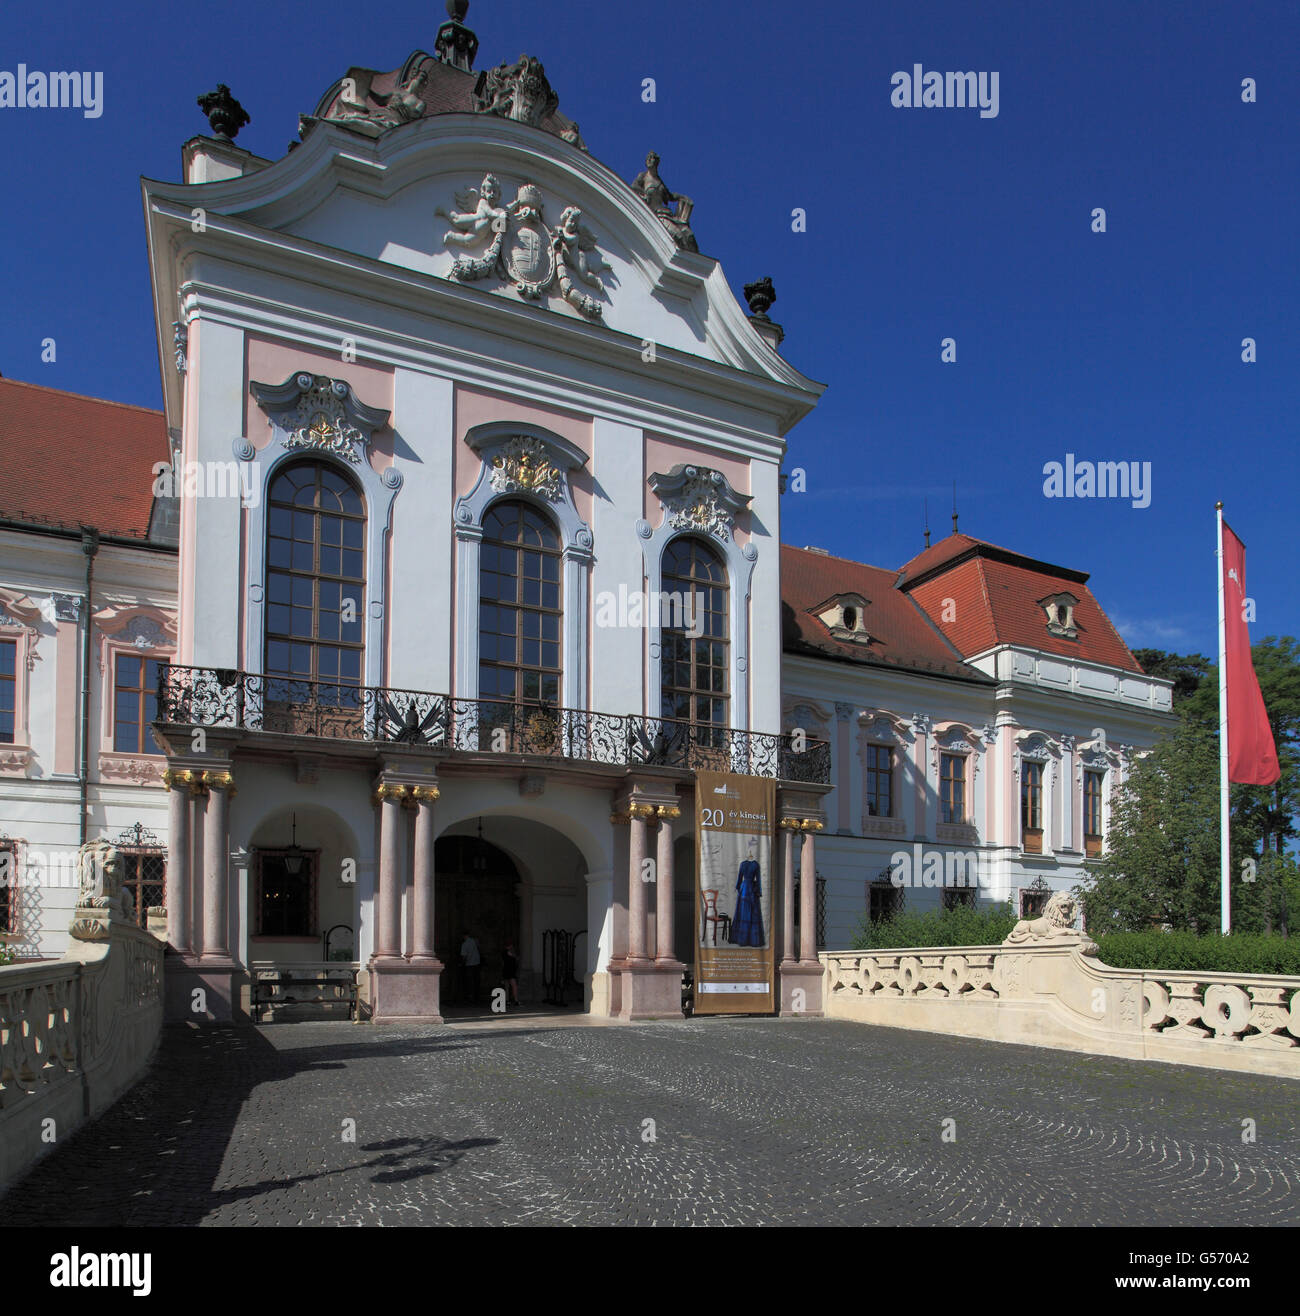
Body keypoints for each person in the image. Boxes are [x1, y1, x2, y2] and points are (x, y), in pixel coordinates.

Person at [728, 837, 765, 947]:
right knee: (752, 913)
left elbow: (739, 879)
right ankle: (752, 940)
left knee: (743, 912)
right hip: (751, 890)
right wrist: (758, 891)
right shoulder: (755, 865)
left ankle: (742, 939)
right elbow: (758, 879)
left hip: (744, 889)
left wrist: (739, 888)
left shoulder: (743, 864)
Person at [460, 931, 481, 1004]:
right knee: (476, 980)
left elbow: (464, 956)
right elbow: (479, 949)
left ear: (464, 936)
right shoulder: (475, 941)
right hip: (477, 963)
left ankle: (470, 997)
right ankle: (477, 996)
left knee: (470, 982)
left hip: (469, 965)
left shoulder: (464, 944)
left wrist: (462, 964)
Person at [501, 942, 519, 1008]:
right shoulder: (507, 953)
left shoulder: (507, 953)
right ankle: (514, 1000)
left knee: (508, 987)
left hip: (508, 971)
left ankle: (508, 1001)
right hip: (509, 971)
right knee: (513, 986)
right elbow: (515, 960)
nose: (512, 947)